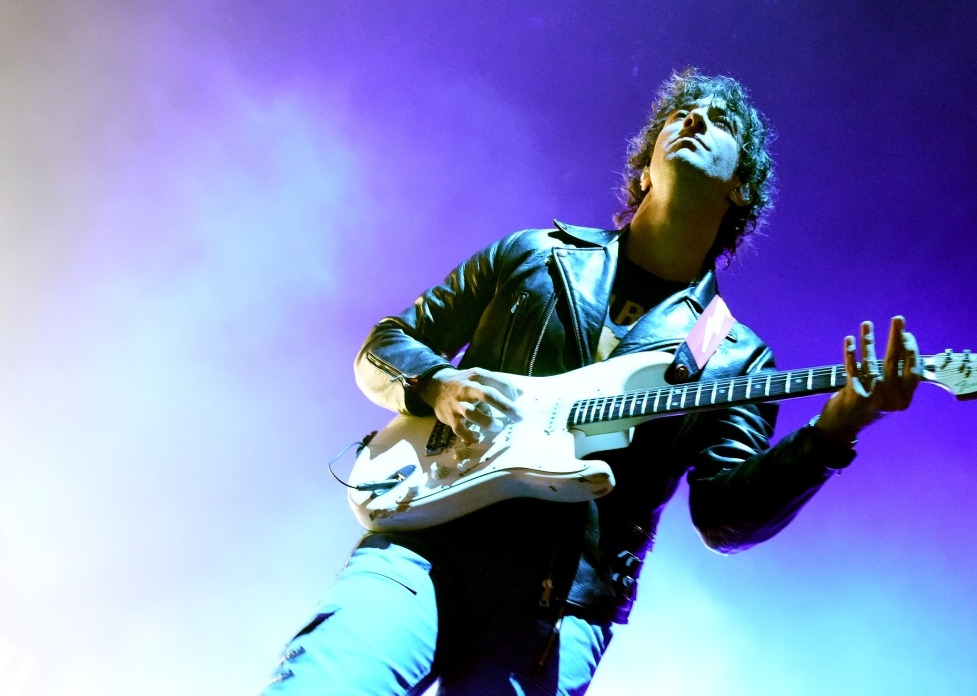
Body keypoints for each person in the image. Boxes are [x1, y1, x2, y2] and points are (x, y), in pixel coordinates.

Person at [263, 68, 921, 696]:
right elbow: (384, 347)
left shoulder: (732, 356)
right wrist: (439, 385)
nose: (694, 120)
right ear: (645, 168)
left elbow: (722, 517)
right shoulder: (532, 254)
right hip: (422, 546)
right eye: (680, 115)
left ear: (742, 189)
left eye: (719, 121)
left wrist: (834, 431)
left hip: (554, 613)